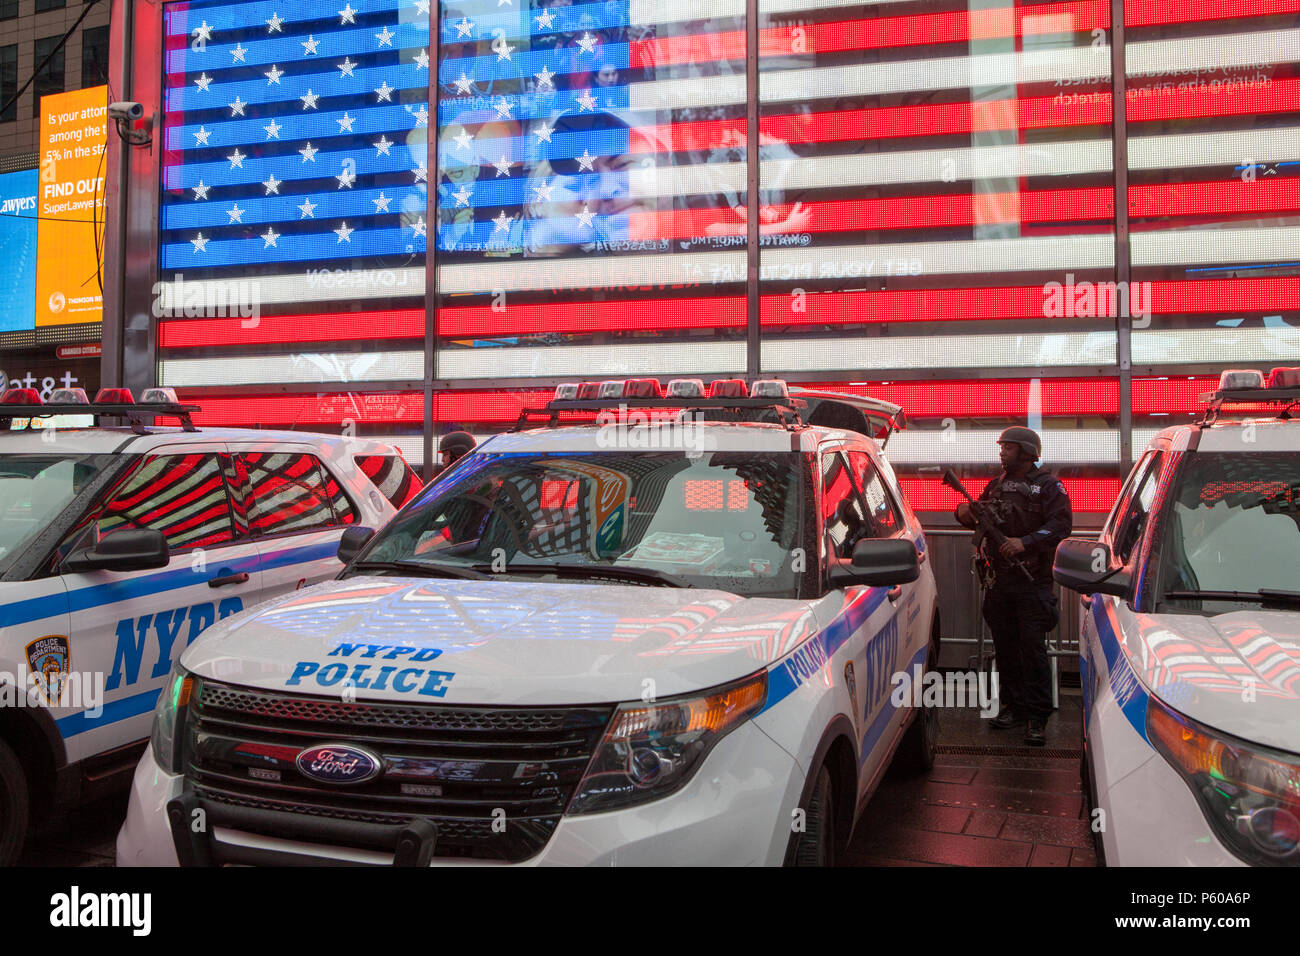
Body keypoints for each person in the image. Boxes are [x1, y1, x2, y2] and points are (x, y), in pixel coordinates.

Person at [954, 426, 1072, 746]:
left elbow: (1061, 525)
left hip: (1032, 581)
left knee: (1032, 649)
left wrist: (1026, 543)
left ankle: (1037, 717)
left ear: (1026, 451)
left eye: (1008, 447)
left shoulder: (1048, 486)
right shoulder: (997, 485)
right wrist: (965, 512)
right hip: (999, 581)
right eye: (1002, 447)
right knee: (1005, 647)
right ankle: (1014, 706)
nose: (1002, 452)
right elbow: (977, 517)